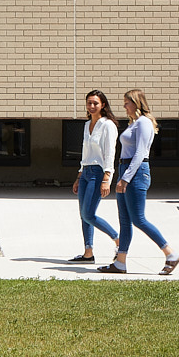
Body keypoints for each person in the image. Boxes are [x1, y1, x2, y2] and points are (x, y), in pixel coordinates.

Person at [99, 89, 179, 275]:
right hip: (125, 170)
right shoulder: (134, 123)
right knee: (125, 220)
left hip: (135, 172)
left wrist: (125, 178)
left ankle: (170, 254)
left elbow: (141, 153)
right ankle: (120, 263)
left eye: (127, 102)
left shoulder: (144, 122)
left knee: (138, 219)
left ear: (136, 103)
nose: (124, 106)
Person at [70, 89, 119, 262]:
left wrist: (107, 178)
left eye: (95, 103)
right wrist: (78, 176)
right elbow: (85, 152)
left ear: (103, 105)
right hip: (85, 172)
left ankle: (118, 239)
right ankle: (88, 252)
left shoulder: (108, 125)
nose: (92, 106)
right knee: (83, 214)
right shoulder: (86, 125)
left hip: (98, 173)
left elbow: (110, 153)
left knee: (89, 214)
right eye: (89, 103)